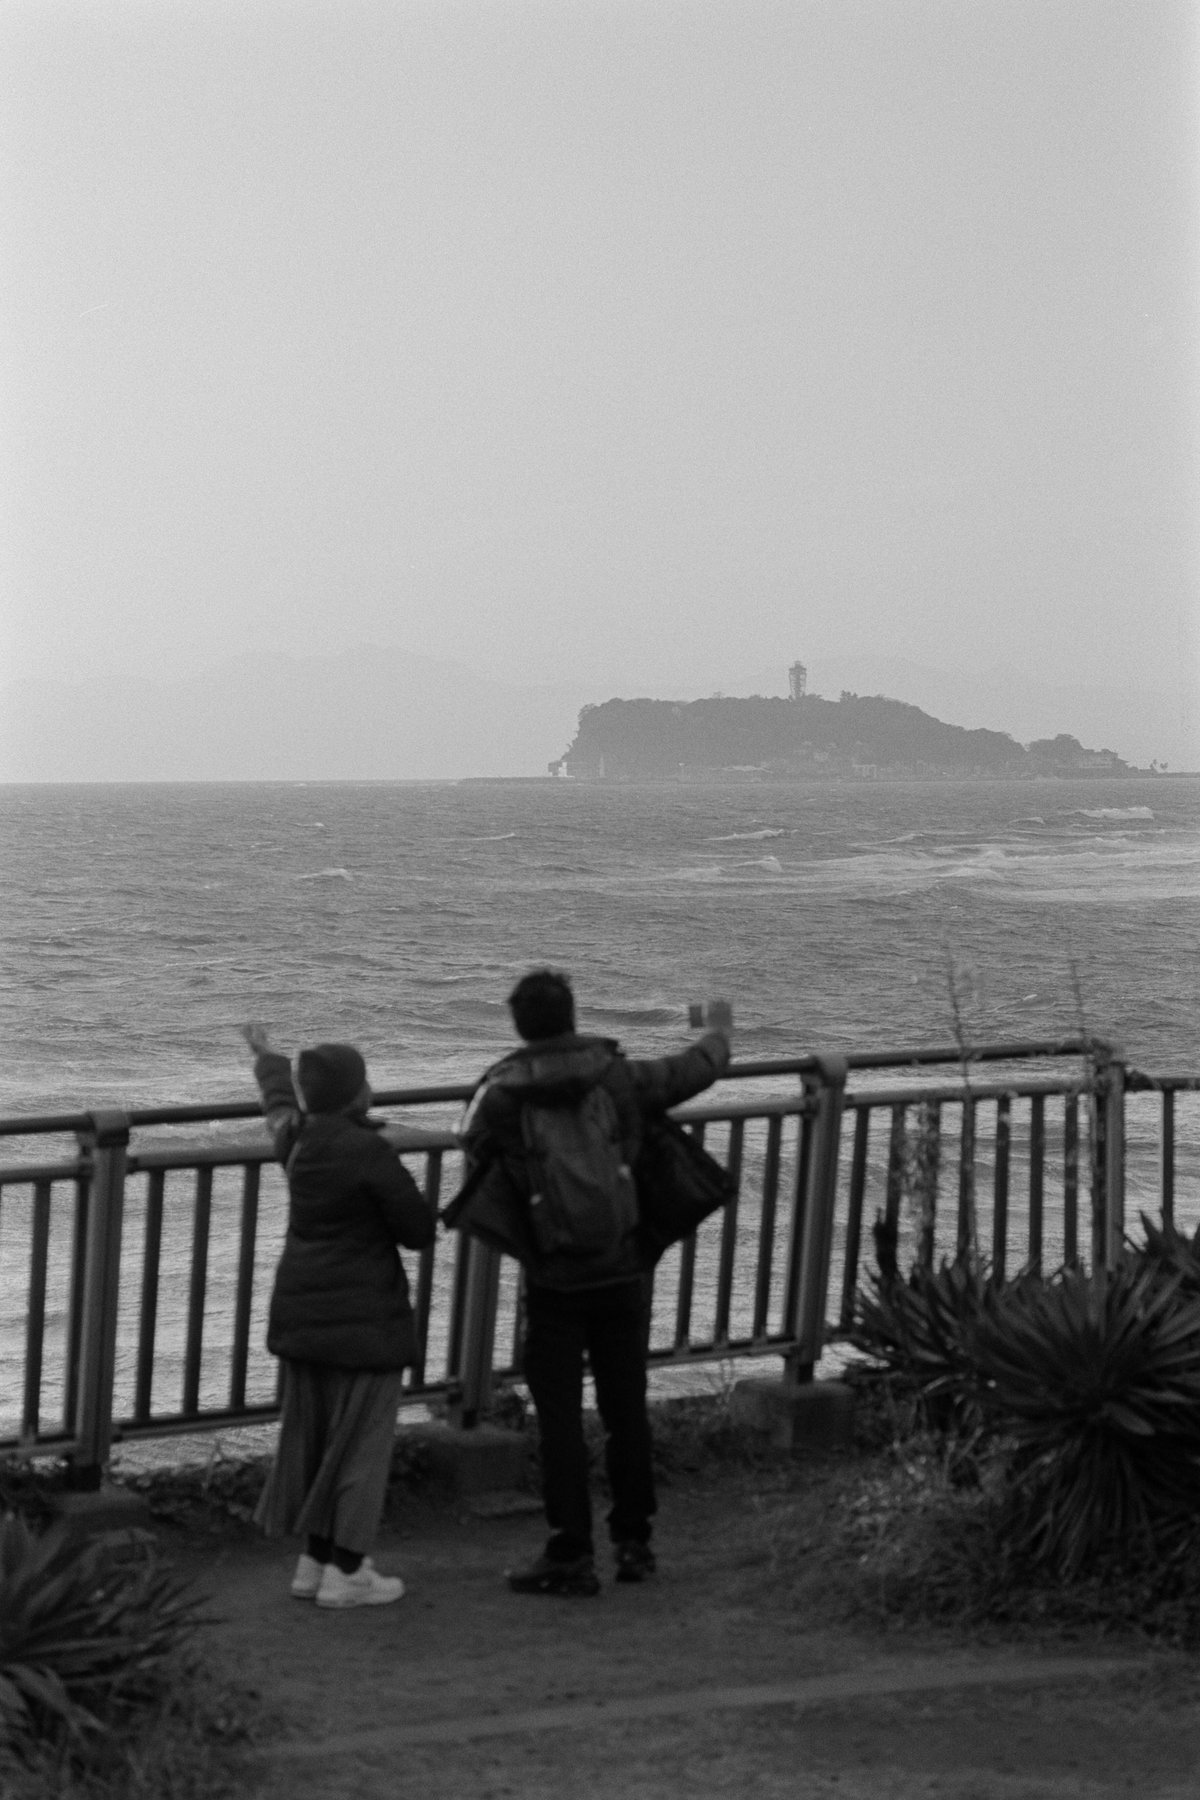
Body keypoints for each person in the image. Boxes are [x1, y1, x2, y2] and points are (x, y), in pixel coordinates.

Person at [448, 970, 730, 1596]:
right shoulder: (616, 1076)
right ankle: (635, 1543)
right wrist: (717, 1031)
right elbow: (692, 1072)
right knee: (625, 1406)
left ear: (519, 1024)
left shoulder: (502, 1095)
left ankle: (570, 1553)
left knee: (559, 1418)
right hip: (621, 1265)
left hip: (553, 1276)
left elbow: (476, 1160)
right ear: (572, 1015)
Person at [241, 1023, 434, 1609]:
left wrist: (267, 1058)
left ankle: (314, 1561)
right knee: (361, 1446)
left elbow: (279, 1106)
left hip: (304, 1311)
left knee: (317, 1436)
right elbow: (418, 1231)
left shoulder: (296, 1137)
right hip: (365, 1322)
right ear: (356, 1094)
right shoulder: (368, 1151)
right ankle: (348, 1572)